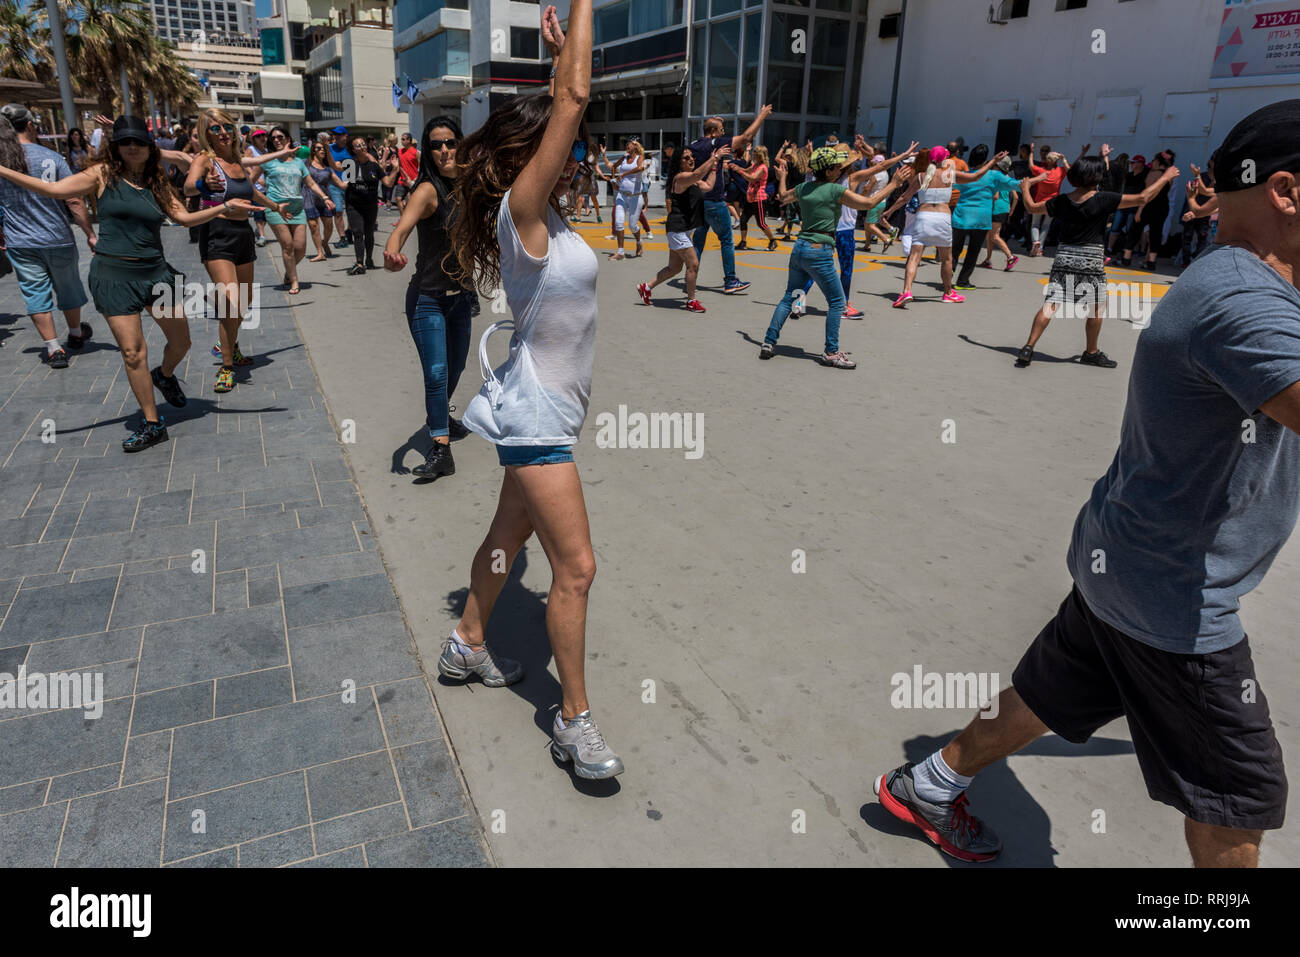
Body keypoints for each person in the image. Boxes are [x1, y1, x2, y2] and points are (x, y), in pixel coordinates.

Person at [876, 101, 1300, 867]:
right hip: (1175, 597)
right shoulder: (1247, 303)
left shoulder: (1241, 283)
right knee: (1240, 794)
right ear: (1288, 193)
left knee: (1043, 699)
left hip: (1122, 559)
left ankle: (929, 782)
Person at [446, 1, 625, 780]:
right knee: (577, 569)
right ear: (533, 154)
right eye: (558, 141)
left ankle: (467, 641)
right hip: (538, 419)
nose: (574, 148)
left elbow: (569, 98)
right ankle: (573, 720)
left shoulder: (539, 211)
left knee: (508, 540)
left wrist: (556, 56)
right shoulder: (523, 213)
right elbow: (575, 100)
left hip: (539, 408)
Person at [0, 114, 258, 451]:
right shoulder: (101, 174)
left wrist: (222, 207)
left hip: (156, 273)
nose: (133, 147)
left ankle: (165, 375)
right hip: (114, 275)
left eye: (139, 142)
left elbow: (182, 218)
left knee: (182, 344)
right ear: (116, 147)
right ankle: (153, 423)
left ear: (150, 148)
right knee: (133, 352)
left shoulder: (158, 182)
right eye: (126, 142)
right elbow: (52, 189)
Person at [1014, 148, 1179, 370]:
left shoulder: (1062, 201)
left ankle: (1028, 346)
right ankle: (1091, 352)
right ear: (1096, 177)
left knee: (1050, 304)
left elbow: (1031, 207)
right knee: (1096, 308)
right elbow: (1143, 197)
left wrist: (1026, 188)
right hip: (1091, 258)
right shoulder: (1104, 199)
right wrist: (1166, 177)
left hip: (1064, 257)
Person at [758, 146, 908, 368]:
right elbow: (868, 204)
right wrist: (894, 184)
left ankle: (769, 342)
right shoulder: (835, 191)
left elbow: (782, 196)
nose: (841, 169)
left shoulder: (804, 187)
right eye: (838, 166)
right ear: (828, 171)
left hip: (800, 247)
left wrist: (782, 178)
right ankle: (831, 352)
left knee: (789, 296)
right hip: (820, 249)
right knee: (837, 303)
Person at [384, 116, 471, 479]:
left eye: (450, 142)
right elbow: (401, 230)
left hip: (461, 298)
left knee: (456, 368)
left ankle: (441, 415)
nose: (444, 150)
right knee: (436, 374)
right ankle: (440, 448)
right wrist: (391, 255)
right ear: (427, 150)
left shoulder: (470, 185)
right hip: (428, 298)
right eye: (436, 145)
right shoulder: (426, 190)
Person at [184, 108, 284, 393]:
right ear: (207, 133)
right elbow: (189, 187)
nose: (223, 133)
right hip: (216, 233)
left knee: (244, 301)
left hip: (243, 235)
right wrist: (204, 184)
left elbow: (250, 192)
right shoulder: (206, 159)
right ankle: (226, 368)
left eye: (226, 126)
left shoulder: (236, 160)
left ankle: (229, 344)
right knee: (230, 300)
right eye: (215, 129)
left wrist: (276, 207)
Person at [0, 107, 96, 369]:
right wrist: (89, 233)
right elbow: (74, 200)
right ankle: (76, 334)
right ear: (30, 126)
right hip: (57, 237)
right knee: (69, 288)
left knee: (34, 293)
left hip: (20, 241)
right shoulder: (50, 157)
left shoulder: (2, 162)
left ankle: (53, 349)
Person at [890, 145, 999, 308]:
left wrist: (889, 211)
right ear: (945, 159)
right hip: (943, 218)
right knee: (947, 258)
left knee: (914, 257)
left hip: (923, 217)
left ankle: (907, 291)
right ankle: (948, 293)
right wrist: (993, 162)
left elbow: (904, 197)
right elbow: (976, 176)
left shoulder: (921, 176)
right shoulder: (950, 174)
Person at [689, 106, 772, 295]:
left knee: (698, 242)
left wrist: (713, 120)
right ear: (713, 133)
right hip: (714, 201)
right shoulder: (714, 145)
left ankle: (690, 275)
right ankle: (730, 280)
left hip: (699, 201)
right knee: (726, 239)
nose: (724, 133)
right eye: (720, 130)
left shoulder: (694, 144)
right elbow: (745, 138)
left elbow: (709, 132)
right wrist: (761, 116)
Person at [637, 140, 728, 313]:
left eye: (692, 157)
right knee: (693, 264)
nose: (691, 159)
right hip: (678, 229)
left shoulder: (692, 180)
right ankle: (691, 301)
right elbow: (697, 175)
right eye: (686, 158)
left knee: (675, 268)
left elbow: (708, 185)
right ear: (679, 163)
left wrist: (715, 167)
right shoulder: (680, 178)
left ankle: (646, 287)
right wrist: (714, 157)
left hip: (683, 229)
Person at [245, 126, 333, 294]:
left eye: (280, 137)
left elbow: (311, 183)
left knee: (300, 248)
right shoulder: (267, 160)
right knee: (288, 246)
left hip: (297, 209)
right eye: (273, 138)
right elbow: (250, 182)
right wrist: (259, 198)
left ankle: (288, 272)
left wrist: (325, 197)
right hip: (275, 208)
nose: (276, 140)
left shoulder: (299, 162)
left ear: (288, 140)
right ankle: (294, 281)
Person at [949, 144, 1016, 291]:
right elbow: (1013, 185)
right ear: (986, 160)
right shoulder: (993, 175)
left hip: (961, 216)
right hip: (981, 219)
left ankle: (947, 277)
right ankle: (963, 281)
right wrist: (1034, 180)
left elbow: (954, 186)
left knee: (955, 251)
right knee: (973, 252)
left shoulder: (965, 174)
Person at [342, 136, 394, 275]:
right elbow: (344, 185)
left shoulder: (374, 166)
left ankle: (369, 259)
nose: (362, 147)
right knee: (358, 232)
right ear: (353, 149)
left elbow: (388, 183)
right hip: (353, 204)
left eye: (363, 144)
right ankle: (359, 263)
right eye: (358, 145)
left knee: (369, 232)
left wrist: (395, 170)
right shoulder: (350, 164)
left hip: (370, 204)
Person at [1122, 149, 1176, 271]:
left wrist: (1140, 210)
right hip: (1163, 206)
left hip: (1149, 205)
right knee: (1155, 233)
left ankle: (1126, 258)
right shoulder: (1169, 175)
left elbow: (1148, 193)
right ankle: (1151, 262)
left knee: (1134, 230)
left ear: (1158, 161)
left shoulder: (1154, 174)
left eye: (1154, 160)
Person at [731, 145, 778, 252]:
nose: (753, 155)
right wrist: (736, 167)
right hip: (751, 198)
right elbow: (746, 170)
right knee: (743, 220)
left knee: (761, 223)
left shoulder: (763, 168)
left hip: (759, 199)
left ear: (760, 155)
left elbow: (752, 178)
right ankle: (743, 242)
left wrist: (740, 172)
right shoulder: (756, 165)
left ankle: (772, 240)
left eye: (755, 153)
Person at [978, 154, 1021, 271]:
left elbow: (995, 196)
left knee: (994, 236)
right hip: (1004, 208)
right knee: (989, 235)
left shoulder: (995, 177)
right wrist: (1011, 211)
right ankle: (988, 259)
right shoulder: (1007, 178)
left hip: (996, 208)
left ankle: (1010, 256)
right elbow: (1016, 197)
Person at [305, 142, 346, 261]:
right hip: (309, 197)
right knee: (313, 225)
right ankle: (319, 253)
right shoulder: (306, 164)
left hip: (325, 199)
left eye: (324, 149)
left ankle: (325, 242)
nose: (322, 150)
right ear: (313, 150)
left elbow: (341, 184)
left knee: (328, 225)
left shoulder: (328, 168)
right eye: (319, 148)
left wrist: (352, 181)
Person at [606, 139, 644, 260]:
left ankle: (639, 242)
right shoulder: (624, 158)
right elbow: (613, 167)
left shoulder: (640, 157)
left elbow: (640, 168)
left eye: (629, 144)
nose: (627, 146)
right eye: (626, 144)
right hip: (621, 195)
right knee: (618, 222)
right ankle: (620, 252)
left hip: (635, 197)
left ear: (636, 146)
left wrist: (623, 174)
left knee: (633, 226)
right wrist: (613, 180)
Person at [1026, 145, 1068, 256]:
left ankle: (1035, 241)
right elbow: (1071, 169)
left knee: (1035, 224)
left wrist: (1031, 152)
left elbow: (1031, 166)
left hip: (1039, 201)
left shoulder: (1041, 171)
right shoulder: (1060, 171)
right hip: (1053, 204)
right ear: (1056, 161)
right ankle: (1040, 249)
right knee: (1046, 226)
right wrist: (1064, 159)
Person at [1105, 153, 1146, 258]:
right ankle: (1109, 249)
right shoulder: (1128, 175)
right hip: (1123, 206)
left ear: (1140, 163)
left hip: (1134, 208)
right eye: (1130, 163)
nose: (1131, 165)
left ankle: (1127, 250)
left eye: (1133, 163)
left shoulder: (1145, 176)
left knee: (1130, 230)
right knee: (1115, 228)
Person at [1178, 160, 1215, 269]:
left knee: (1202, 239)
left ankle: (1196, 261)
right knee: (1187, 237)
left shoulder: (1221, 181)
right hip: (1195, 210)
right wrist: (1198, 176)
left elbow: (1208, 192)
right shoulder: (1203, 177)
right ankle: (1186, 261)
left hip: (1204, 213)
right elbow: (1204, 191)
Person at [326, 126, 351, 246]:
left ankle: (350, 232)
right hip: (334, 184)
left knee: (352, 211)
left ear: (345, 136)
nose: (336, 136)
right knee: (338, 212)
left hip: (350, 184)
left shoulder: (350, 149)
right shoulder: (329, 148)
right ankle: (342, 238)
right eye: (335, 134)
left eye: (339, 134)